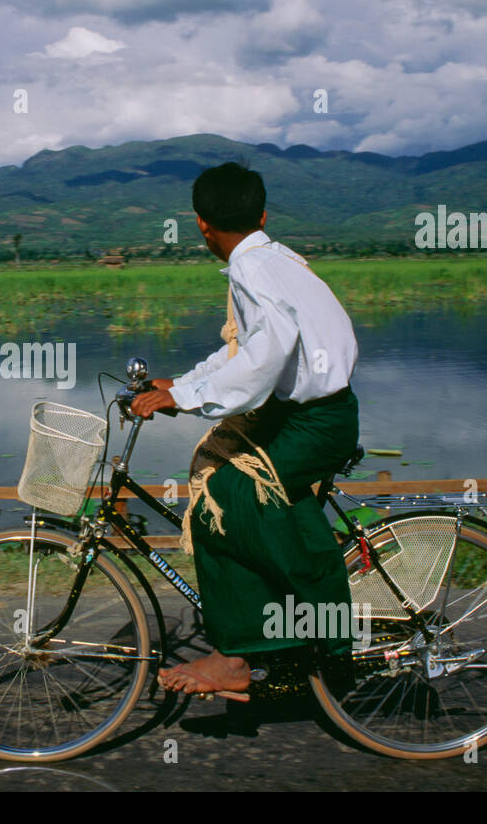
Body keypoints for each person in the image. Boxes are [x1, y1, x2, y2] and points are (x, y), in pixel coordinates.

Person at [130, 161, 360, 701]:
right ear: (262, 215)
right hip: (313, 413)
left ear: (202, 225)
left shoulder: (251, 269)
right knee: (224, 481)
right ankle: (282, 635)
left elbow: (264, 357)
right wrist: (182, 383)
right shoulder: (274, 258)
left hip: (314, 422)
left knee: (226, 499)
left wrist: (184, 397)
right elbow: (244, 351)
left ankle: (245, 652)